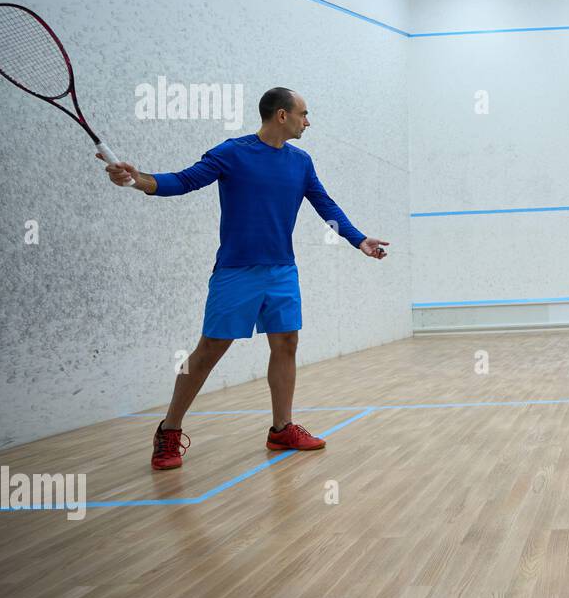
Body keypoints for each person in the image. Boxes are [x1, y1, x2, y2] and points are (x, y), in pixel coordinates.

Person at [101, 87, 389, 471]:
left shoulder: (301, 162)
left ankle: (281, 428)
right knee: (208, 352)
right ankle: (168, 430)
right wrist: (138, 180)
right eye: (304, 113)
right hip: (236, 272)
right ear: (282, 116)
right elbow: (182, 181)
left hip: (282, 270)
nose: (309, 120)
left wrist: (358, 239)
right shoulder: (232, 153)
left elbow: (325, 204)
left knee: (287, 343)